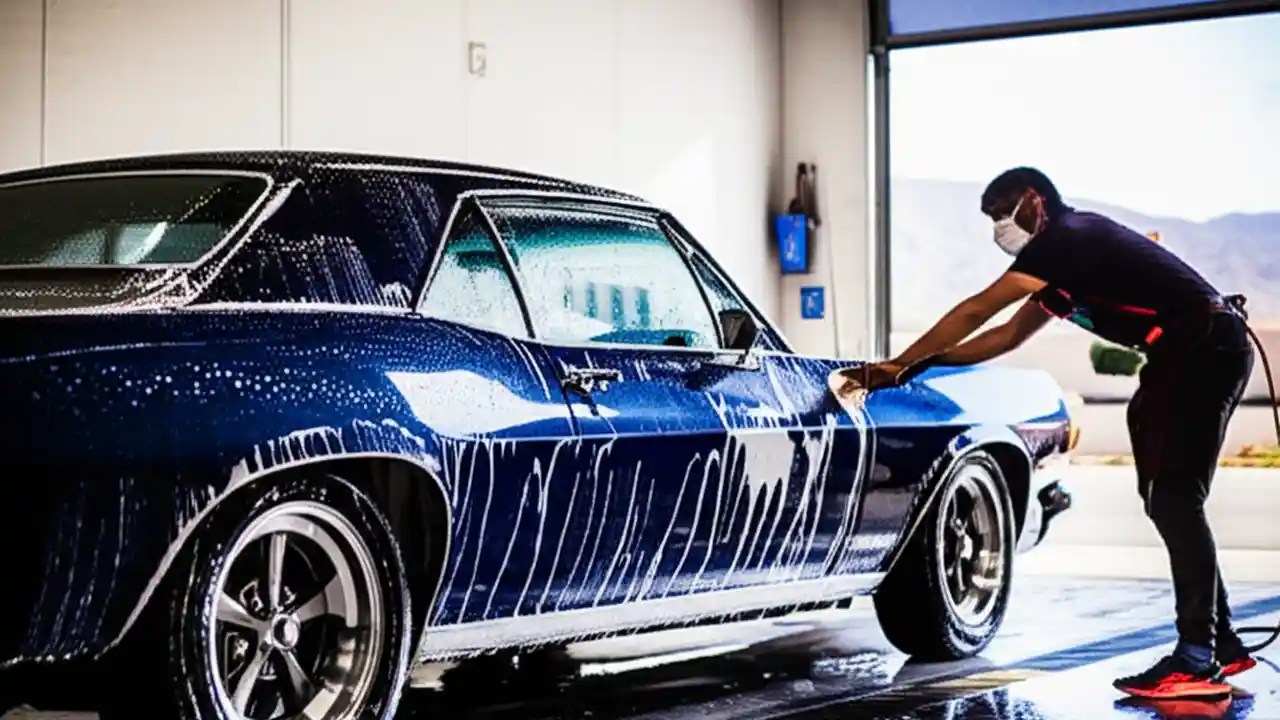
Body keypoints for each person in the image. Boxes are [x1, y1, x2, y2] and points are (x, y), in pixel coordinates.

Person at [858, 167, 1257, 699]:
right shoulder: (1066, 266)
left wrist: (897, 363)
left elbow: (979, 309)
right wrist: (920, 366)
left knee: (1176, 500)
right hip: (1187, 353)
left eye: (1003, 212)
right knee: (1165, 499)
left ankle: (1195, 659)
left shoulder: (1067, 237)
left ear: (1033, 200)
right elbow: (1005, 336)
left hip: (1204, 348)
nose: (1000, 227)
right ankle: (1220, 645)